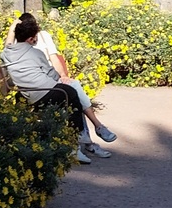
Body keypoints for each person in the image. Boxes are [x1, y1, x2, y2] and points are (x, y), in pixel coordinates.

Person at [0, 14, 97, 165]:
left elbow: (8, 44)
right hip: (45, 92)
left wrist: (12, 28)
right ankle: (78, 136)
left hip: (27, 95)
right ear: (31, 38)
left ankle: (77, 138)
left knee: (68, 95)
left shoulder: (7, 53)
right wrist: (58, 77)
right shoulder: (36, 53)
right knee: (72, 93)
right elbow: (52, 74)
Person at [29, 21, 118, 158]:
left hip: (53, 80)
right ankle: (94, 132)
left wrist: (63, 75)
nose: (35, 37)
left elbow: (54, 59)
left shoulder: (43, 36)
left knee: (74, 90)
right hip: (42, 85)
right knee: (74, 94)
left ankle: (82, 142)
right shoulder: (19, 47)